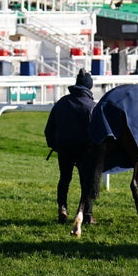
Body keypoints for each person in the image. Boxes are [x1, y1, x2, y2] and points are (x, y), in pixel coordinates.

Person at [43, 69, 98, 225]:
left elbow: (49, 129)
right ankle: (86, 214)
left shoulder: (62, 102)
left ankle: (62, 207)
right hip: (84, 150)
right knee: (86, 182)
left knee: (64, 179)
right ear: (89, 87)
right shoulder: (92, 106)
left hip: (64, 148)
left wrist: (55, 145)